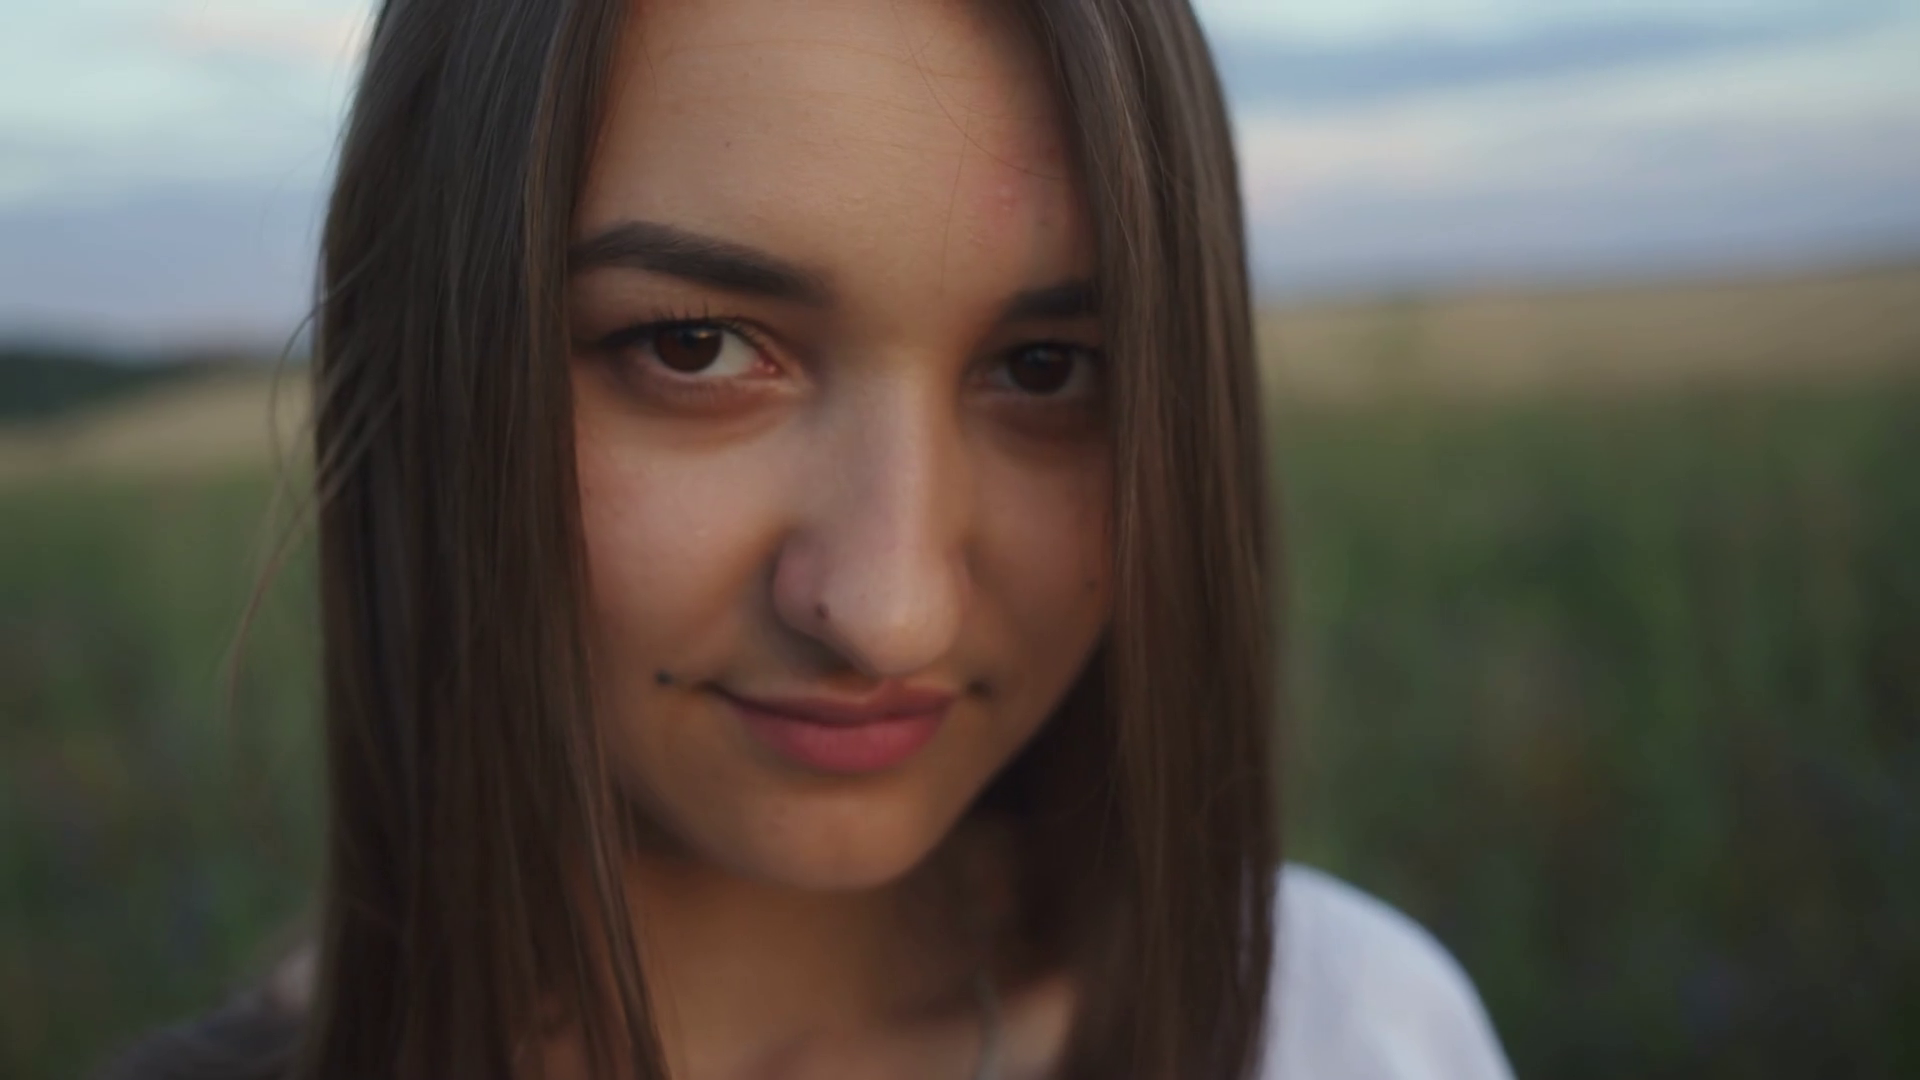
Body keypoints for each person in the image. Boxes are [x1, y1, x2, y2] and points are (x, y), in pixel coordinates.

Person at [106, 0, 1514, 1077]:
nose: (892, 611)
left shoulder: (1345, 1031)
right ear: (431, 365)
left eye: (1046, 369)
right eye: (696, 346)